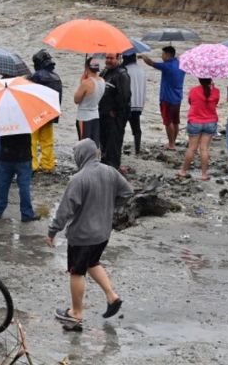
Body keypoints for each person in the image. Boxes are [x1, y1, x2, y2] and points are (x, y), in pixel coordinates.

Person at [46, 139, 133, 331]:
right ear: (96, 153)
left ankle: (75, 314)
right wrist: (111, 206)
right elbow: (128, 192)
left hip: (82, 236)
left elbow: (65, 210)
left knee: (77, 272)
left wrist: (52, 231)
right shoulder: (110, 171)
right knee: (92, 262)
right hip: (103, 233)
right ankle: (112, 296)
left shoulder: (79, 179)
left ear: (80, 157)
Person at [141, 47, 185, 150]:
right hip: (178, 98)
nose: (162, 56)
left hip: (167, 99)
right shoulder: (181, 64)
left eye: (163, 54)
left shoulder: (167, 66)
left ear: (167, 55)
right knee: (175, 121)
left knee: (168, 122)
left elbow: (151, 63)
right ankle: (172, 142)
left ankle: (171, 144)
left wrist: (143, 56)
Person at [176, 78, 219, 181]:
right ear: (210, 80)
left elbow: (190, 102)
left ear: (200, 79)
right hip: (210, 122)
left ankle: (183, 171)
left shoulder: (194, 90)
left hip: (195, 121)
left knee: (192, 148)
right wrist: (212, 87)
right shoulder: (216, 91)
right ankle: (204, 174)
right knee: (204, 149)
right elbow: (215, 102)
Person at [0, 132, 39, 222]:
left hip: (6, 155)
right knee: (24, 186)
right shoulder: (26, 123)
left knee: (2, 184)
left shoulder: (1, 123)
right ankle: (26, 213)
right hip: (23, 156)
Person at [29, 50, 63, 173]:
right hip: (51, 114)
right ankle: (48, 164)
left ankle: (33, 165)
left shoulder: (36, 76)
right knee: (47, 141)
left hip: (36, 114)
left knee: (32, 141)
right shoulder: (56, 76)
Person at [98, 53, 130, 170]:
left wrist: (115, 110)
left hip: (115, 116)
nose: (108, 60)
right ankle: (104, 164)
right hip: (102, 114)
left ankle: (113, 167)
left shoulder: (122, 74)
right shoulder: (104, 72)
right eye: (107, 58)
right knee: (103, 141)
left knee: (114, 143)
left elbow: (125, 96)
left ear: (118, 59)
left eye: (111, 58)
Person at [74, 57, 105, 146]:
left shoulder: (86, 83)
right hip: (95, 115)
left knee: (84, 145)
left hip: (84, 118)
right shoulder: (102, 81)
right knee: (94, 144)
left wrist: (81, 83)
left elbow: (76, 100)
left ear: (87, 67)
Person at [122, 52, 146, 155]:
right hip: (138, 103)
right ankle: (137, 150)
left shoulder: (124, 70)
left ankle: (118, 146)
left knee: (120, 127)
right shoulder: (141, 70)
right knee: (136, 128)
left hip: (126, 103)